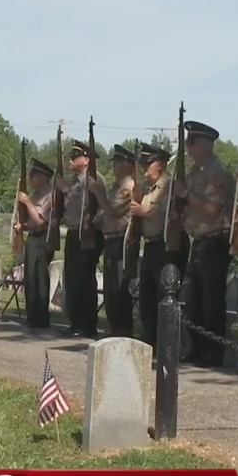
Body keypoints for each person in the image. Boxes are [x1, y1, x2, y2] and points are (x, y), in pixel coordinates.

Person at [178, 120, 235, 367]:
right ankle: (197, 348)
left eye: (191, 142)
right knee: (193, 300)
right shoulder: (194, 172)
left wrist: (186, 196)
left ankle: (213, 352)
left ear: (205, 144)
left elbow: (212, 209)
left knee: (211, 302)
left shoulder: (216, 173)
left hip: (214, 241)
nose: (187, 148)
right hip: (199, 241)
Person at [130, 142, 188, 349]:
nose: (145, 168)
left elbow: (170, 217)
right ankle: (151, 339)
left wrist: (143, 211)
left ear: (161, 165)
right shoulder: (148, 189)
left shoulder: (169, 187)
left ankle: (167, 343)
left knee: (164, 295)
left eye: (149, 163)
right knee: (146, 296)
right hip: (151, 245)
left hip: (167, 245)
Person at [54, 140, 103, 339]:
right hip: (74, 232)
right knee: (73, 279)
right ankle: (76, 322)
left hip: (87, 233)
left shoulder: (93, 179)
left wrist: (64, 189)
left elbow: (82, 204)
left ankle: (87, 324)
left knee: (84, 279)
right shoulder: (77, 181)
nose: (70, 160)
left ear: (86, 159)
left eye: (75, 156)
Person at [95, 144, 137, 337]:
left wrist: (99, 194)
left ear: (129, 165)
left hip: (122, 239)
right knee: (110, 287)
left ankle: (122, 328)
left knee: (120, 287)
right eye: (114, 162)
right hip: (110, 239)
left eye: (119, 162)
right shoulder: (116, 186)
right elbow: (104, 214)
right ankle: (114, 326)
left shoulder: (129, 187)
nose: (114, 166)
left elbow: (113, 211)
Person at [15, 158, 56, 328]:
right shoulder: (36, 195)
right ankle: (32, 315)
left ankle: (41, 317)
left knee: (39, 278)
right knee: (30, 278)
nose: (31, 178)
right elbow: (31, 221)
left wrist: (27, 202)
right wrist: (22, 225)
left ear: (44, 176)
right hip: (33, 237)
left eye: (34, 174)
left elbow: (40, 221)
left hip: (43, 238)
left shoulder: (50, 195)